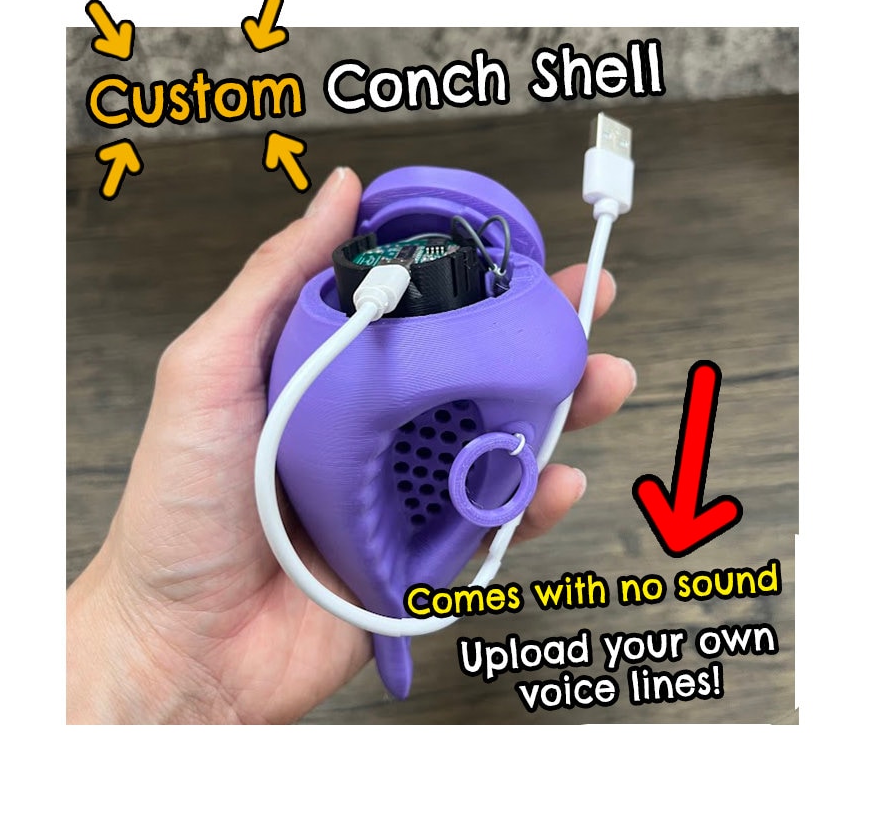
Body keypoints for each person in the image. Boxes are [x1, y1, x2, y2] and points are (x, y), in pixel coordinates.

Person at [66, 167, 637, 724]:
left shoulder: (485, 317)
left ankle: (394, 619)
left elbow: (544, 358)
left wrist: (150, 656)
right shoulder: (346, 325)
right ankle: (394, 619)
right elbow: (543, 355)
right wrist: (154, 645)